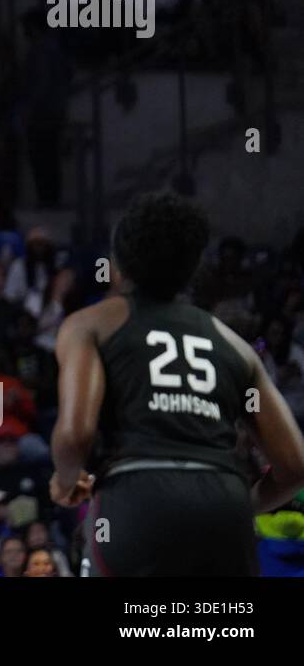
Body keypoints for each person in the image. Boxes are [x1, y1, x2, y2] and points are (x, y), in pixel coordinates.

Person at [51, 191, 304, 575]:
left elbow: (74, 436)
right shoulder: (235, 345)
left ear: (119, 264)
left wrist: (66, 482)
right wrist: (241, 505)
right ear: (193, 266)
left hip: (137, 494)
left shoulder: (91, 323)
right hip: (224, 501)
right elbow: (295, 466)